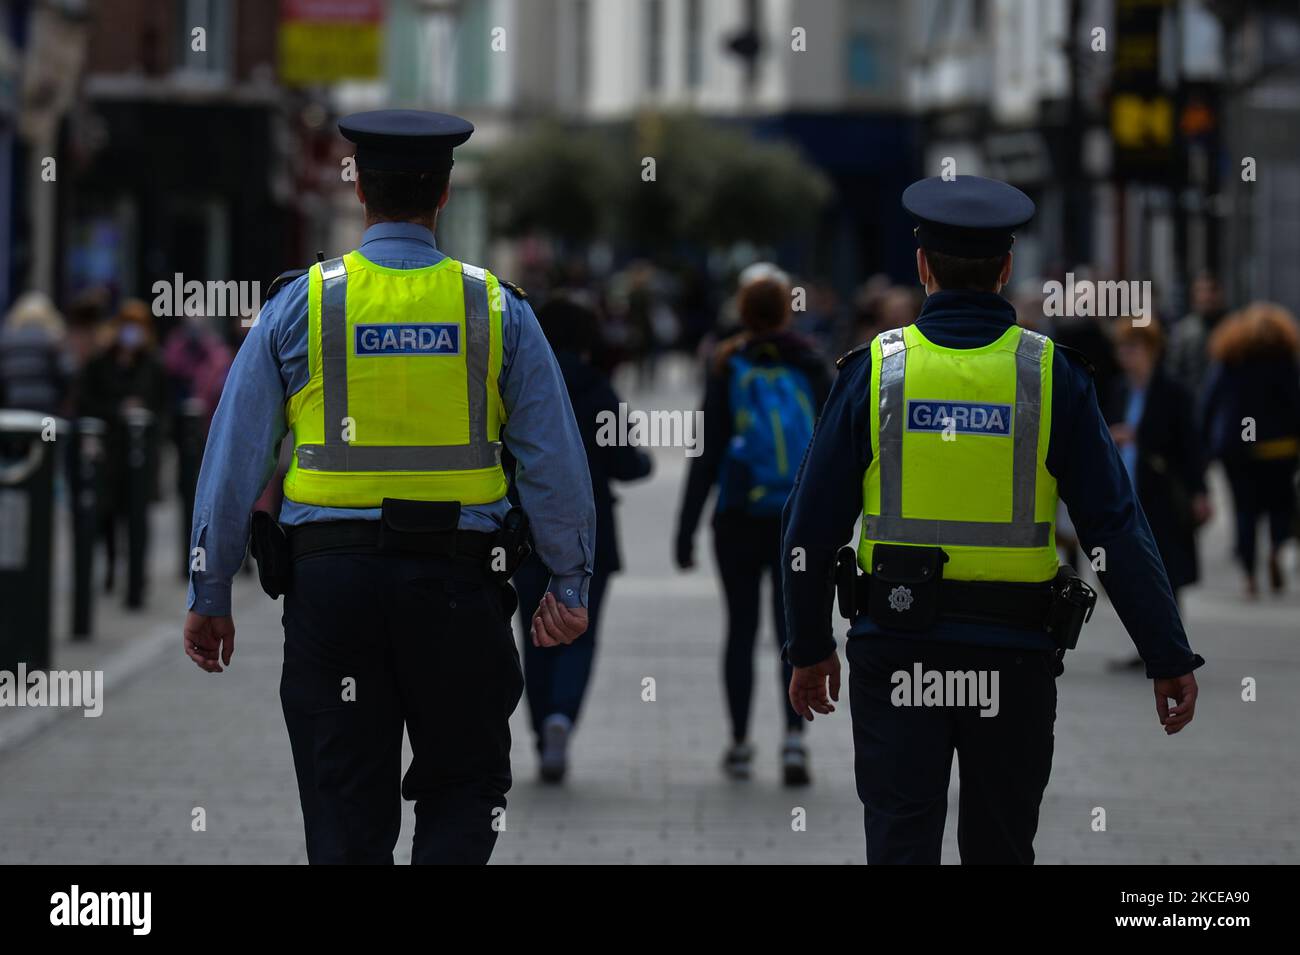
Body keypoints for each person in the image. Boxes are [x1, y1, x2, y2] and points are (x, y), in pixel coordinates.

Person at [182, 110, 596, 865]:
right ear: (442, 197)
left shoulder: (302, 302)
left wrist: (209, 591)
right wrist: (568, 581)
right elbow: (554, 461)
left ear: (360, 192)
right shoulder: (494, 307)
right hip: (459, 589)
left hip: (333, 589)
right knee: (466, 787)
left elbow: (234, 455)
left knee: (344, 807)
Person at [781, 175, 1204, 864]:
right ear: (1006, 269)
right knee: (1002, 845)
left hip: (897, 643)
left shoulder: (876, 371)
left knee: (899, 838)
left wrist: (807, 646)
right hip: (1013, 655)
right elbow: (1113, 527)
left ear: (923, 268)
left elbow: (809, 526)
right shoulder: (1051, 375)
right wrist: (1166, 652)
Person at [674, 264, 831, 785]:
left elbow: (707, 452)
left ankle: (740, 743)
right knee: (792, 631)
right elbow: (834, 452)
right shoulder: (811, 363)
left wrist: (686, 530)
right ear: (787, 308)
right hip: (798, 523)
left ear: (742, 311)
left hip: (737, 517)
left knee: (740, 631)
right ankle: (793, 740)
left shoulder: (727, 363)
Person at [508, 294, 653, 782]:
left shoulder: (520, 386)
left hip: (526, 534)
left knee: (534, 631)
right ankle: (560, 718)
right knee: (577, 631)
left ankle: (540, 721)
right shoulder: (598, 388)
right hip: (590, 538)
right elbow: (627, 463)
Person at [1109, 319, 1211, 667]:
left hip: (1163, 496)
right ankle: (1149, 647)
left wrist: (1200, 491)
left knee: (1166, 574)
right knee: (1136, 574)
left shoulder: (1174, 392)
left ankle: (1171, 648)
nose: (1126, 356)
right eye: (1122, 348)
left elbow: (1191, 447)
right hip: (1128, 493)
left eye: (1133, 348)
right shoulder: (1120, 389)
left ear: (1152, 350)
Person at [1201, 302, 1300, 596]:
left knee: (1244, 511)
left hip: (1238, 448)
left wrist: (1204, 443)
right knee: (1280, 506)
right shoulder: (1283, 359)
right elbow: (1295, 403)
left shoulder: (1230, 358)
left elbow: (1209, 402)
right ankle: (1276, 548)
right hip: (1279, 448)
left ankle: (1249, 575)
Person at [78, 299, 169, 603]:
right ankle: (110, 569)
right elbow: (85, 402)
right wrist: (118, 411)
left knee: (137, 517)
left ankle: (136, 583)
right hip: (109, 453)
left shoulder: (153, 364)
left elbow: (163, 407)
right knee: (106, 515)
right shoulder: (100, 362)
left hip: (141, 455)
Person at [0, 291, 72, 415]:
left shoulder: (6, 339)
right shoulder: (53, 337)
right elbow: (68, 371)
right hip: (46, 407)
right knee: (47, 434)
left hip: (13, 405)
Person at [1166, 271, 1229, 400]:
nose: (1207, 296)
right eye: (1202, 291)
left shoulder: (1232, 328)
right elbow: (1174, 371)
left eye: (1212, 290)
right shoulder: (1183, 330)